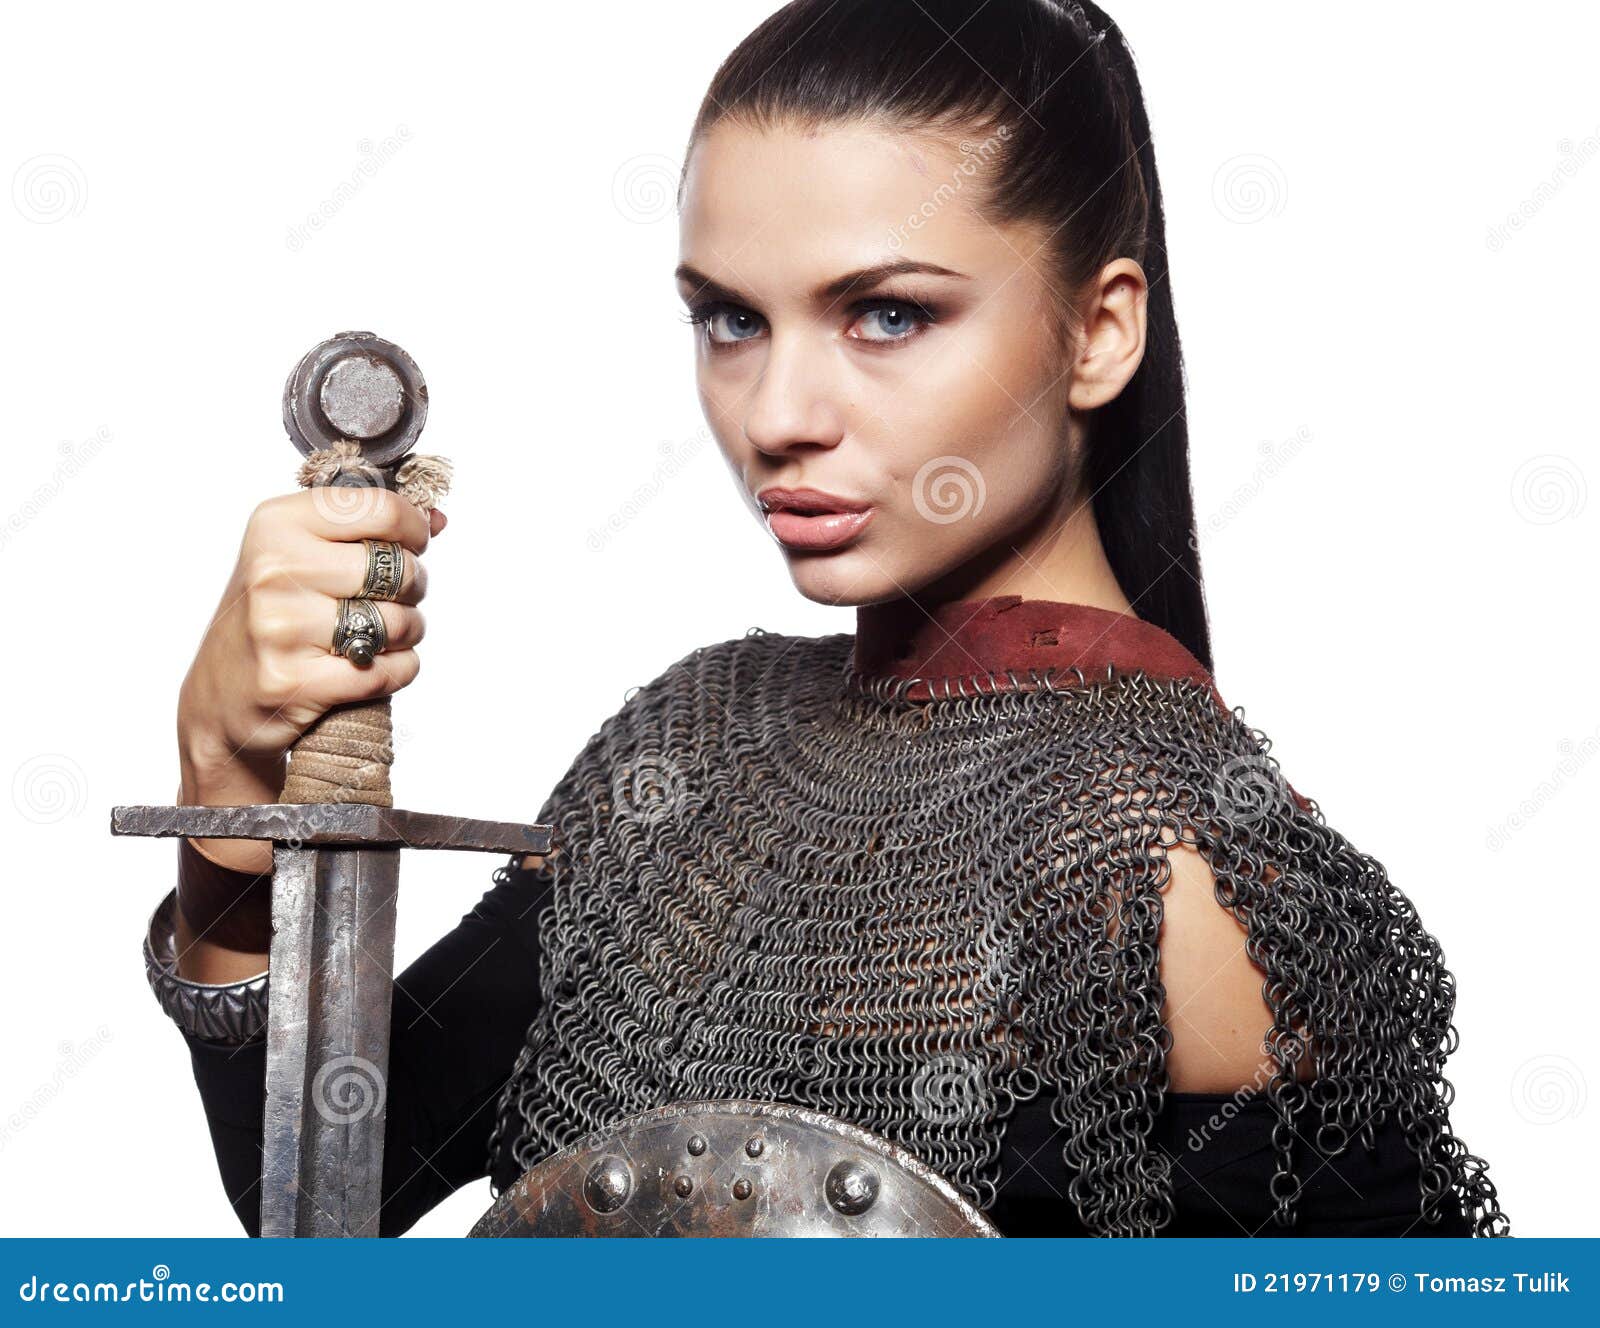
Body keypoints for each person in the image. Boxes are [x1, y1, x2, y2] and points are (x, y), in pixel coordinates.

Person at [146, 0, 1512, 1237]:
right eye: (732, 320)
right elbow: (326, 1186)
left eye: (888, 315)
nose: (779, 416)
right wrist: (227, 783)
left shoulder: (1180, 876)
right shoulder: (694, 750)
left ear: (1098, 332)